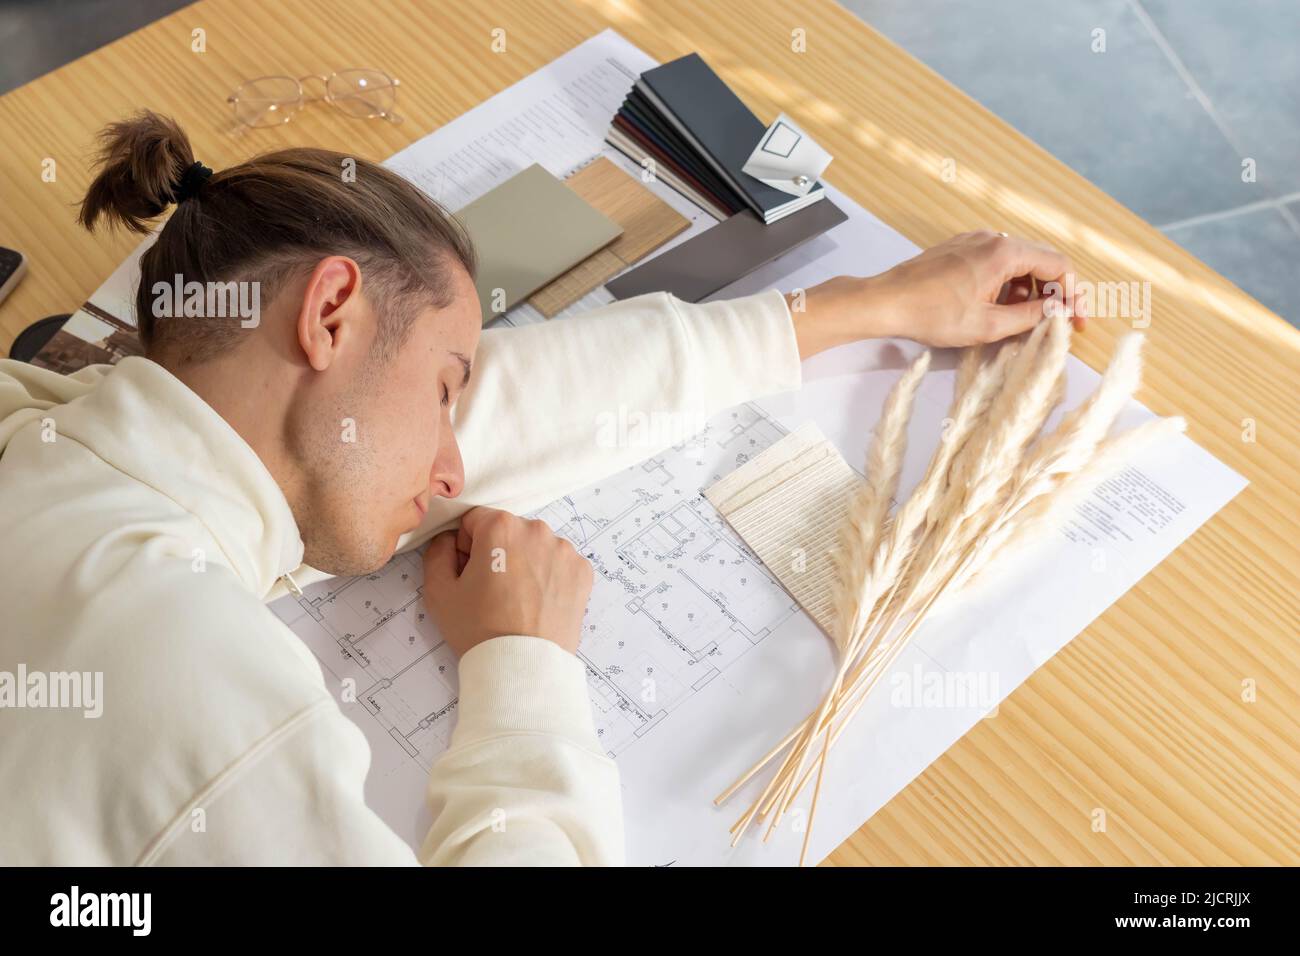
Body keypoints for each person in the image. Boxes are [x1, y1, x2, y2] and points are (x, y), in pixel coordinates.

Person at [0, 111, 1084, 865]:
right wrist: (522, 672)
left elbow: (501, 403)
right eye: (443, 388)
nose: (453, 470)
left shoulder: (47, 429)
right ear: (329, 315)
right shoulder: (190, 684)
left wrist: (863, 305)